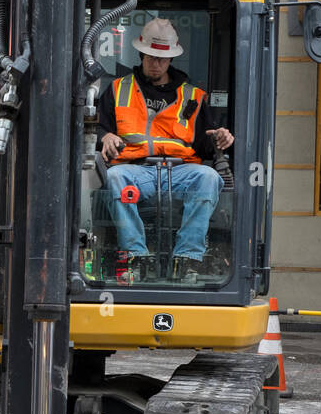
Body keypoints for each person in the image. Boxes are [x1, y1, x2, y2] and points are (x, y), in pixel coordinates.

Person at [97, 17, 234, 278]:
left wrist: (221, 137)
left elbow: (206, 144)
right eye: (150, 57)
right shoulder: (117, 89)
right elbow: (99, 129)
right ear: (141, 54)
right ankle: (136, 256)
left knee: (209, 177)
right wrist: (106, 138)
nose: (156, 64)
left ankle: (187, 258)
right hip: (135, 171)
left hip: (181, 173)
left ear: (171, 59)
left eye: (162, 58)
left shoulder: (193, 96)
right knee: (115, 177)